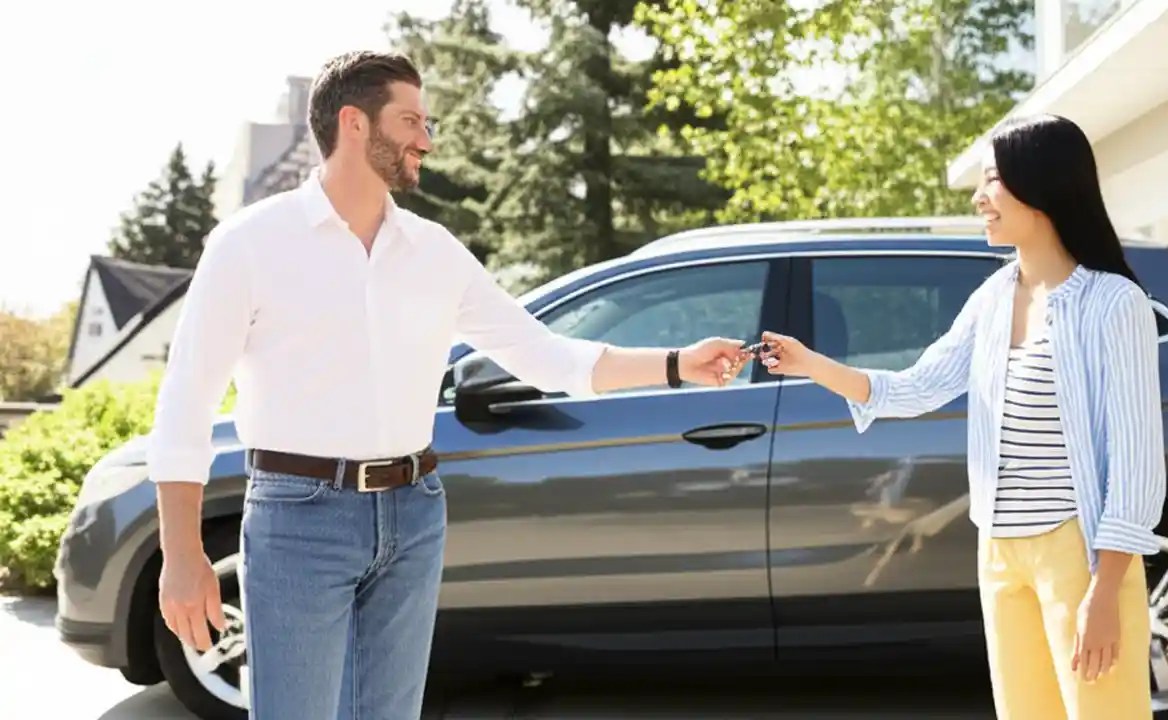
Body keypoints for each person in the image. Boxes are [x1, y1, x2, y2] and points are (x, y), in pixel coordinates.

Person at [148, 50, 749, 720]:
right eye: (411, 121)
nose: (426, 140)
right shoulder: (251, 244)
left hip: (413, 512)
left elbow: (547, 357)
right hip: (298, 518)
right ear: (353, 123)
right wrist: (181, 552)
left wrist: (676, 364)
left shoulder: (434, 252)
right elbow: (186, 401)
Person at [754, 113, 1163, 720]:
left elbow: (1135, 462)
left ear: (1040, 185)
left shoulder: (1112, 304)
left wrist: (1105, 592)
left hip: (1077, 553)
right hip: (1000, 549)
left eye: (992, 180)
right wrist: (813, 364)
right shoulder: (994, 298)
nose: (978, 198)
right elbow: (919, 386)